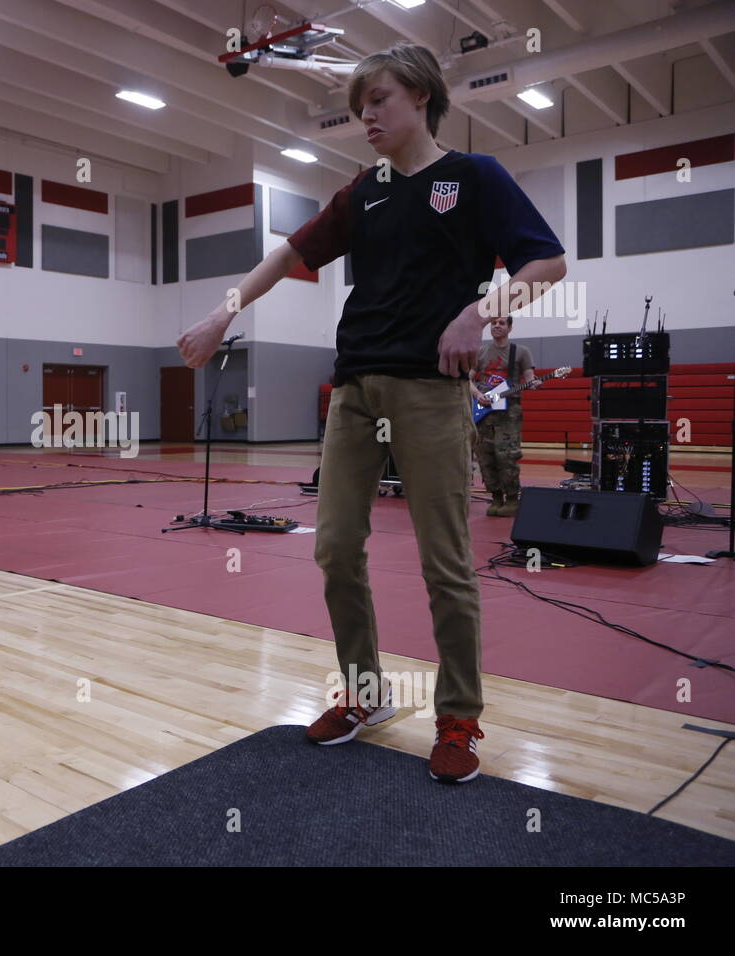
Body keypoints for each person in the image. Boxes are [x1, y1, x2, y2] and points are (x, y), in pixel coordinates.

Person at [177, 43, 565, 783]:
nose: (366, 118)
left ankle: (458, 718)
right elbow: (287, 254)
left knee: (444, 561)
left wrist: (481, 312)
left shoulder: (474, 176)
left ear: (420, 95)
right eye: (360, 109)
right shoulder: (365, 189)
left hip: (428, 389)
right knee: (332, 549)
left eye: (378, 101)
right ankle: (365, 695)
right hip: (355, 392)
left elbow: (547, 262)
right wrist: (221, 315)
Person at [471, 316, 536, 517]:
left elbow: (529, 377)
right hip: (483, 410)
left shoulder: (521, 351)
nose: (497, 326)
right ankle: (496, 497)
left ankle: (512, 498)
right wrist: (477, 395)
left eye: (501, 323)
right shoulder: (480, 352)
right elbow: (467, 379)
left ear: (510, 327)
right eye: (494, 323)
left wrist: (532, 383)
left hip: (509, 412)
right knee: (485, 455)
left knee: (506, 455)